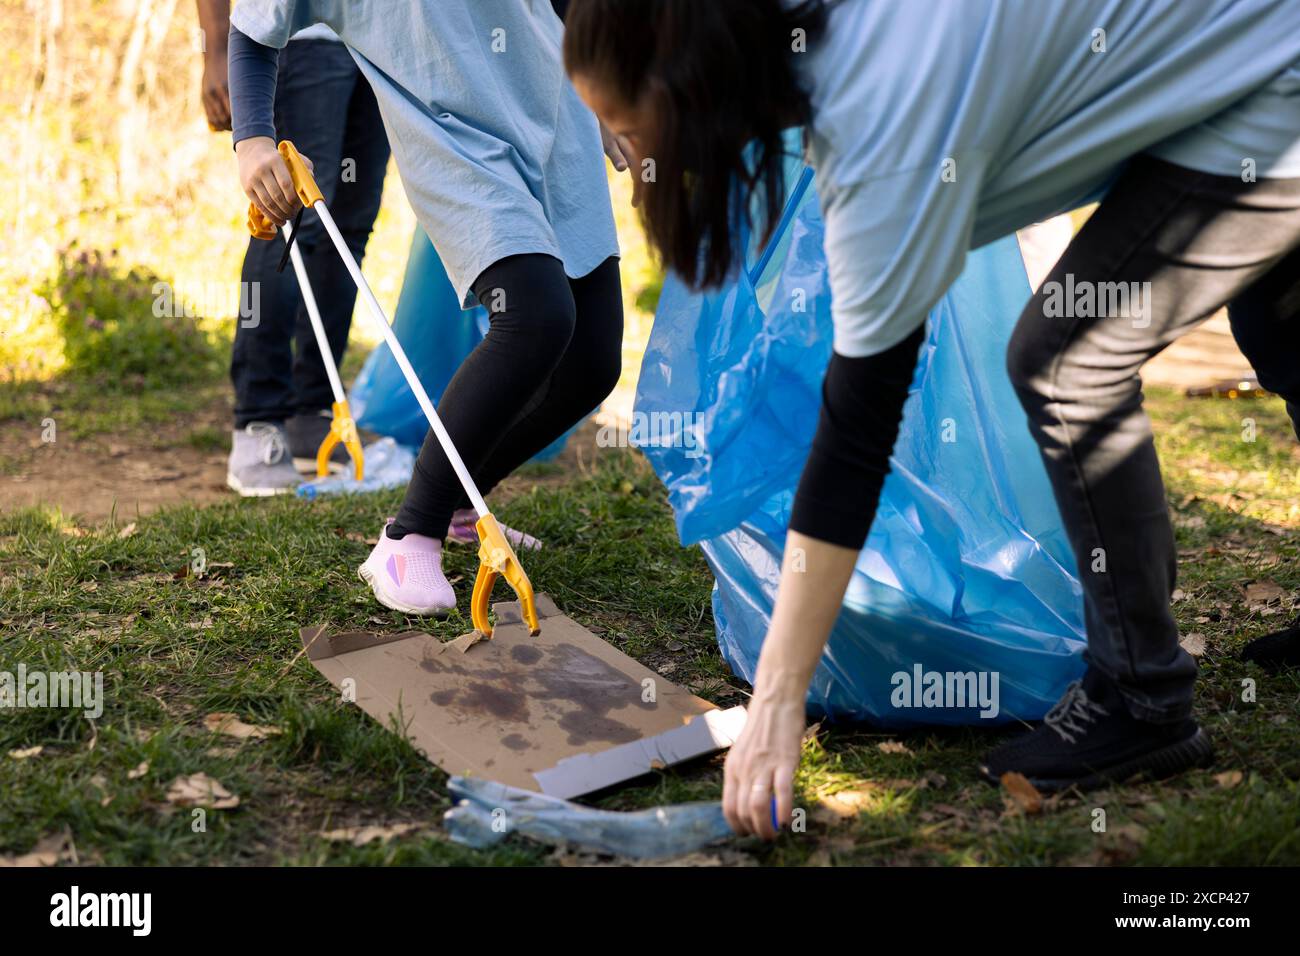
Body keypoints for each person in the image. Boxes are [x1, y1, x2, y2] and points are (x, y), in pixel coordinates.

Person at [561, 0, 1300, 837]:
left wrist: (776, 701)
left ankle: (1144, 694)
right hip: (1252, 61)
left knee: (1066, 361)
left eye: (624, 128)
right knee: (1284, 328)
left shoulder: (882, 129)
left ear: (694, 97)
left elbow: (856, 434)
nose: (626, 158)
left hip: (1271, 93)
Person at [227, 0, 627, 612]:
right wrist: (252, 141)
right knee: (536, 318)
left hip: (558, 120)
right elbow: (253, 29)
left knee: (593, 362)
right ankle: (409, 533)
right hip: (457, 141)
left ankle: (465, 502)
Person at [197, 0, 390, 496]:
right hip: (296, 40)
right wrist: (216, 49)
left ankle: (314, 413)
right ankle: (258, 420)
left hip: (377, 47)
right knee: (287, 217)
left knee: (348, 229)